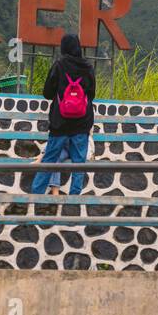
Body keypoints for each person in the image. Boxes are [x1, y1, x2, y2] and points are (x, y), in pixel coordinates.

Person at [31, 33, 96, 204]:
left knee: (49, 160)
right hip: (82, 123)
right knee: (78, 163)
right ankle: (74, 199)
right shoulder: (88, 67)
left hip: (60, 123)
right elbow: (92, 94)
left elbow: (47, 93)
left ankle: (34, 196)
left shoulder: (59, 65)